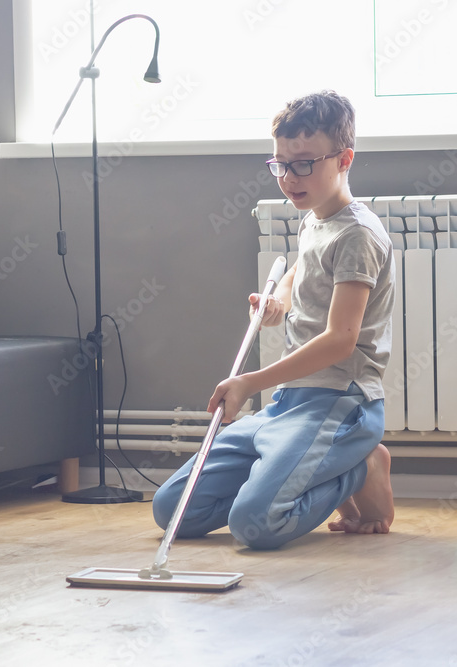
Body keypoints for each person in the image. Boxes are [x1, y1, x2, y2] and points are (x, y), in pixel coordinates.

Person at [153, 90, 395, 550]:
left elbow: (341, 341)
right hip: (287, 403)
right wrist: (279, 300)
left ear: (343, 159)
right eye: (280, 163)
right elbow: (304, 267)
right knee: (172, 510)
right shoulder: (315, 219)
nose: (288, 177)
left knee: (256, 525)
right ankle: (286, 473)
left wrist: (250, 382)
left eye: (303, 163)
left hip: (339, 401)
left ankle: (362, 464)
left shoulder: (359, 234)